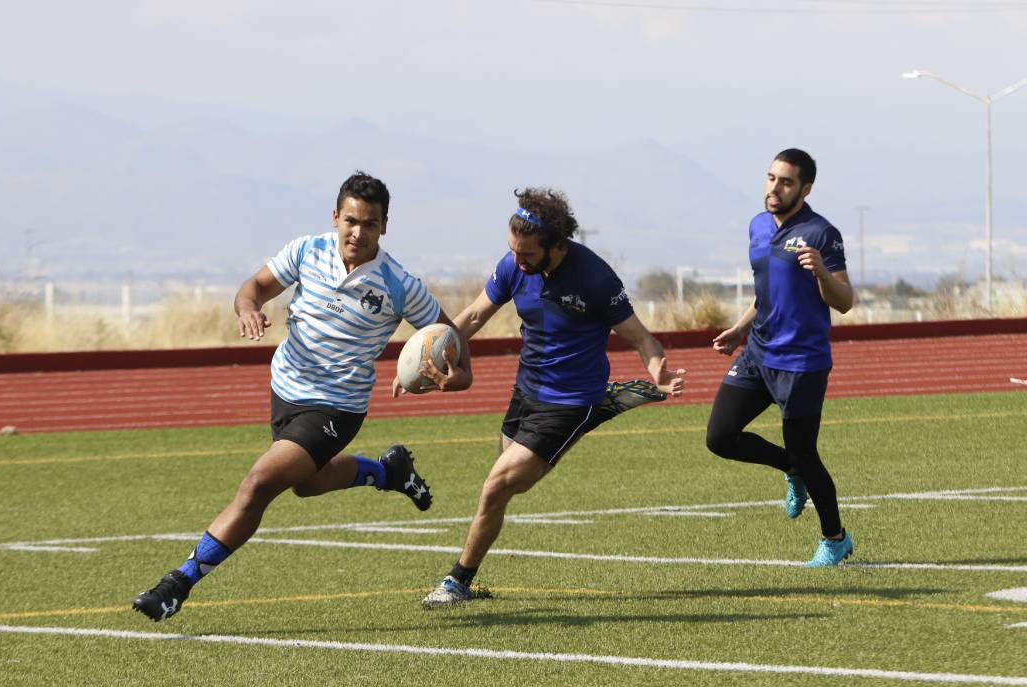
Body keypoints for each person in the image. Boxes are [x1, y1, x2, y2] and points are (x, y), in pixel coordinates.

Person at [132, 171, 472, 622]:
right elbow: (251, 288)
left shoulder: (399, 284)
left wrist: (452, 378)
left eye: (370, 224)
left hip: (337, 406)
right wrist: (248, 308)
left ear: (384, 226)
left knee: (257, 486)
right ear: (335, 217)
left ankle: (177, 584)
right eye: (350, 220)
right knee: (306, 484)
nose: (358, 231)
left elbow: (452, 344)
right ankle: (389, 472)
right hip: (285, 391)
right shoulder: (306, 251)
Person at [420, 187, 685, 607]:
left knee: (496, 486)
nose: (518, 262)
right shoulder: (514, 266)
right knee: (514, 485)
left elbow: (641, 337)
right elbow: (471, 316)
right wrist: (426, 359)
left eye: (527, 254)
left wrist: (658, 368)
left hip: (570, 399)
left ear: (557, 246)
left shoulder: (596, 279)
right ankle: (604, 407)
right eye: (513, 252)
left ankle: (457, 581)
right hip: (526, 390)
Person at [704, 148, 855, 567]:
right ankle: (790, 468)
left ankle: (835, 539)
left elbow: (845, 301)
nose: (774, 187)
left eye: (785, 182)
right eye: (771, 178)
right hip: (757, 354)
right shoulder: (756, 225)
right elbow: (767, 291)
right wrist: (739, 328)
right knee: (720, 437)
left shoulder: (823, 233)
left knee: (807, 453)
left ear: (805, 189)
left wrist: (823, 272)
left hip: (801, 362)